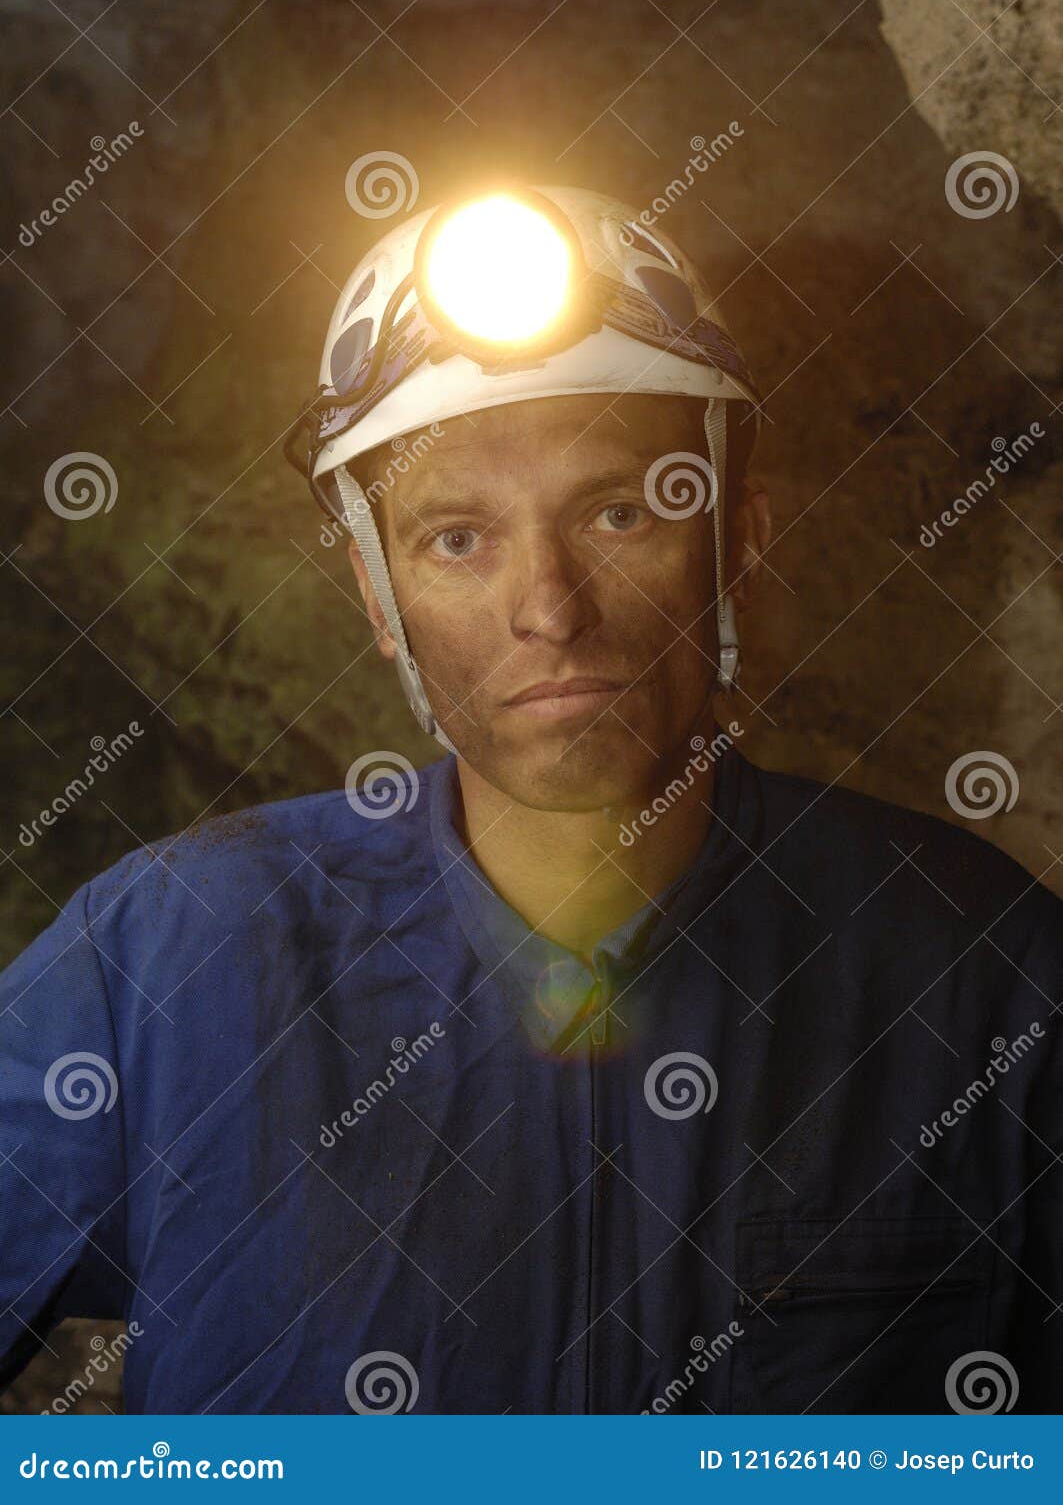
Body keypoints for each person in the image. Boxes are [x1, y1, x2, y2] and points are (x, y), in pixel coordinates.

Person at [0, 186, 1059, 1415]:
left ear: (738, 537)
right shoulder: (176, 958)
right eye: (456, 537)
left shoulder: (977, 972)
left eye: (617, 513)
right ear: (375, 594)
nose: (549, 609)